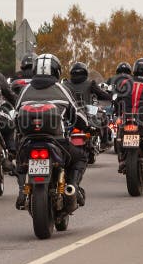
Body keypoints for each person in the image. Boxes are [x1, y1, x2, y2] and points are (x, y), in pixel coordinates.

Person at [14, 53, 89, 209]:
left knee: (21, 164)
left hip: (27, 142)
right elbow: (77, 114)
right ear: (56, 71)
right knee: (80, 157)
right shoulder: (61, 88)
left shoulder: (25, 90)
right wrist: (86, 125)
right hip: (57, 142)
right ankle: (72, 187)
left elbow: (15, 116)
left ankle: (22, 191)